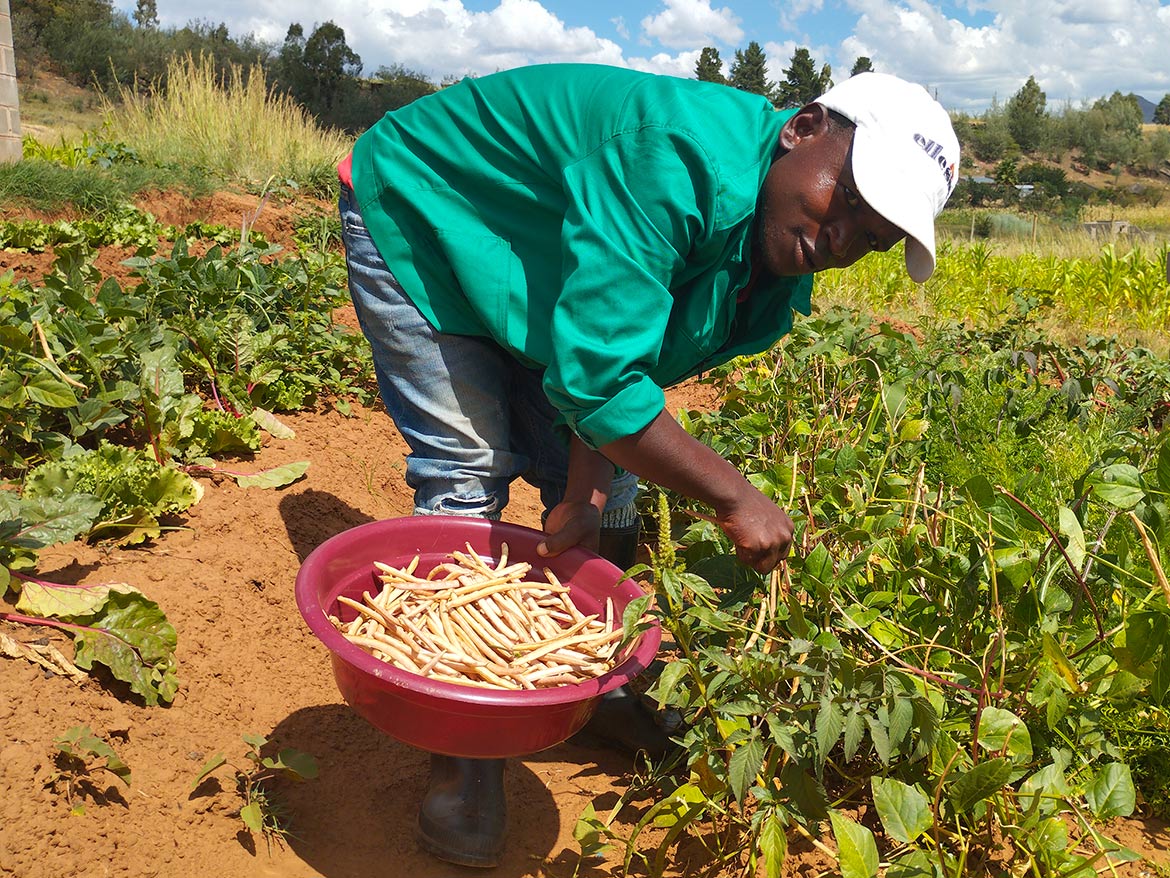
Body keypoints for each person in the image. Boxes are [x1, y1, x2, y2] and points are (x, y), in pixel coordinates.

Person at [338, 64, 959, 867]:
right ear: (804, 128)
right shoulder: (675, 154)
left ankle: (602, 691)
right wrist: (734, 495)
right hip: (428, 210)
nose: (842, 240)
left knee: (616, 491)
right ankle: (466, 752)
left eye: (871, 238)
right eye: (847, 200)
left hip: (534, 261)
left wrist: (588, 492)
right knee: (467, 466)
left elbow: (634, 366)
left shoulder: (768, 272)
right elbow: (602, 383)